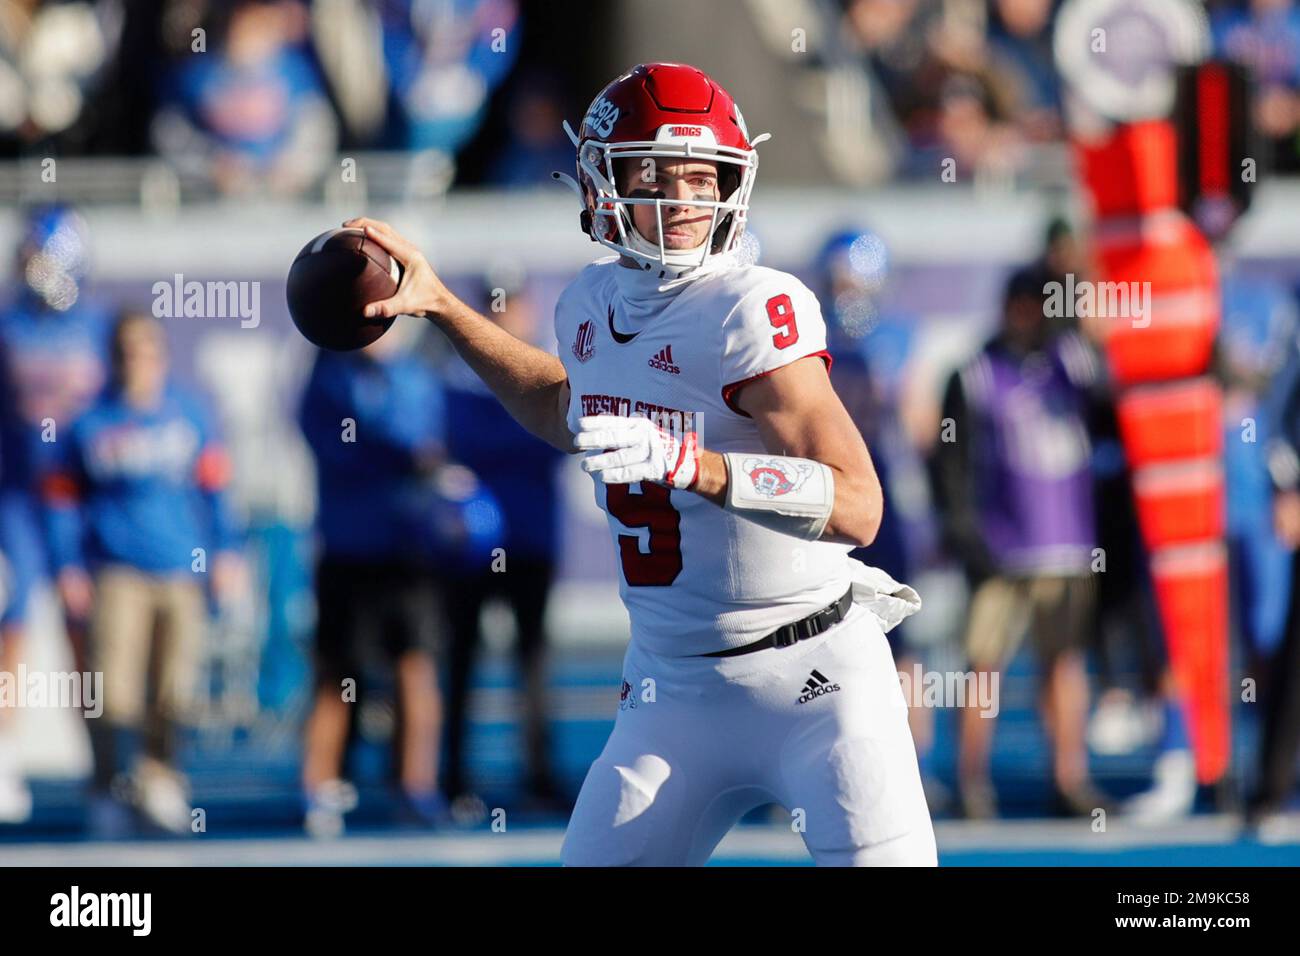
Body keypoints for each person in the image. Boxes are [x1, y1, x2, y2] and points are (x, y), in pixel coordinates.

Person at [343, 62, 936, 866]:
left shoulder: (751, 306)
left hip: (816, 678)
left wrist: (696, 465)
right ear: (602, 180)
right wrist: (445, 307)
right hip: (671, 692)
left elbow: (858, 504)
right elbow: (561, 407)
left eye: (704, 176)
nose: (686, 199)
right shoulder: (589, 302)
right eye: (659, 173)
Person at [43, 313, 244, 836]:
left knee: (175, 688)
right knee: (112, 690)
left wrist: (226, 552)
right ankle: (109, 786)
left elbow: (215, 490)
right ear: (113, 358)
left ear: (163, 354)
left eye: (147, 350)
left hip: (181, 569)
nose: (139, 362)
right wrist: (67, 566)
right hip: (116, 571)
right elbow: (63, 502)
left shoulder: (189, 415)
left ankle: (161, 778)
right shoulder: (90, 422)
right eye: (128, 351)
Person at [930, 265, 1108, 819]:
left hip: (1068, 544)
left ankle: (1068, 778)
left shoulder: (1073, 363)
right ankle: (972, 782)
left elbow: (1113, 412)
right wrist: (965, 535)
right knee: (984, 665)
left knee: (1065, 665)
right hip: (1002, 548)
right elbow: (949, 462)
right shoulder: (977, 371)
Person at [297, 317, 449, 837]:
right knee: (337, 676)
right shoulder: (327, 375)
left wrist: (406, 455)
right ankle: (319, 787)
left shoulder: (414, 375)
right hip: (348, 548)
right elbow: (340, 449)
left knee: (415, 667)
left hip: (408, 552)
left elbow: (428, 444)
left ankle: (415, 788)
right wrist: (397, 454)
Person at [0, 204, 112, 825]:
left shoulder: (96, 326)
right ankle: (4, 753)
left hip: (83, 497)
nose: (28, 267)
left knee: (87, 630)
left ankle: (103, 772)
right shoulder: (8, 325)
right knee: (9, 621)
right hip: (19, 493)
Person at [440, 270, 567, 818]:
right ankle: (453, 778)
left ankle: (537, 773)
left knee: (533, 662)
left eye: (512, 301)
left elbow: (559, 437)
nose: (504, 313)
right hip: (467, 546)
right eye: (496, 302)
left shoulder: (542, 372)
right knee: (461, 659)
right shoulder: (458, 377)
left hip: (530, 538)